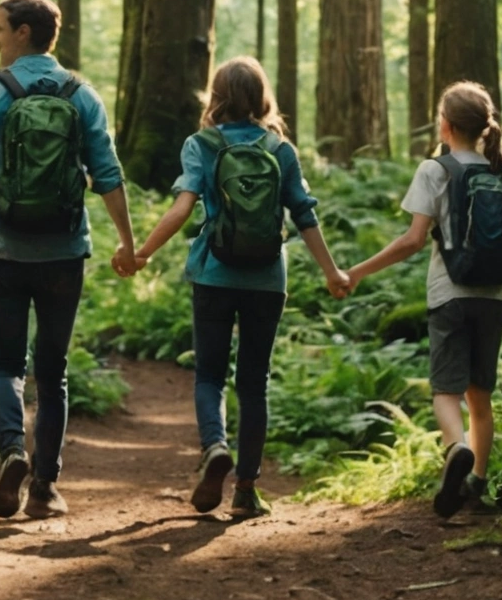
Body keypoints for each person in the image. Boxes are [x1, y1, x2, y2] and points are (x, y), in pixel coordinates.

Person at [0, 0, 138, 520]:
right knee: (54, 371)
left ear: (24, 32)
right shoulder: (81, 96)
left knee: (6, 364)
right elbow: (107, 175)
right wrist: (128, 243)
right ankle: (44, 489)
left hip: (3, 248)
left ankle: (11, 452)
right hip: (65, 251)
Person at [133, 58, 351, 518]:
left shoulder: (202, 145)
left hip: (214, 273)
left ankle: (214, 446)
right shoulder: (280, 150)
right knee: (255, 382)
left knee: (210, 374)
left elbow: (181, 209)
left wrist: (143, 252)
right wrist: (332, 272)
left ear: (217, 97)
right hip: (268, 279)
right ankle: (246, 490)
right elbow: (305, 215)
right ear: (261, 97)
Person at [345, 81, 502, 518]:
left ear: (446, 125)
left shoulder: (434, 170)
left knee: (445, 390)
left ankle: (456, 448)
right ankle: (477, 482)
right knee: (481, 395)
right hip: (497, 296)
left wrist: (358, 271)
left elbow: (413, 240)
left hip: (450, 294)